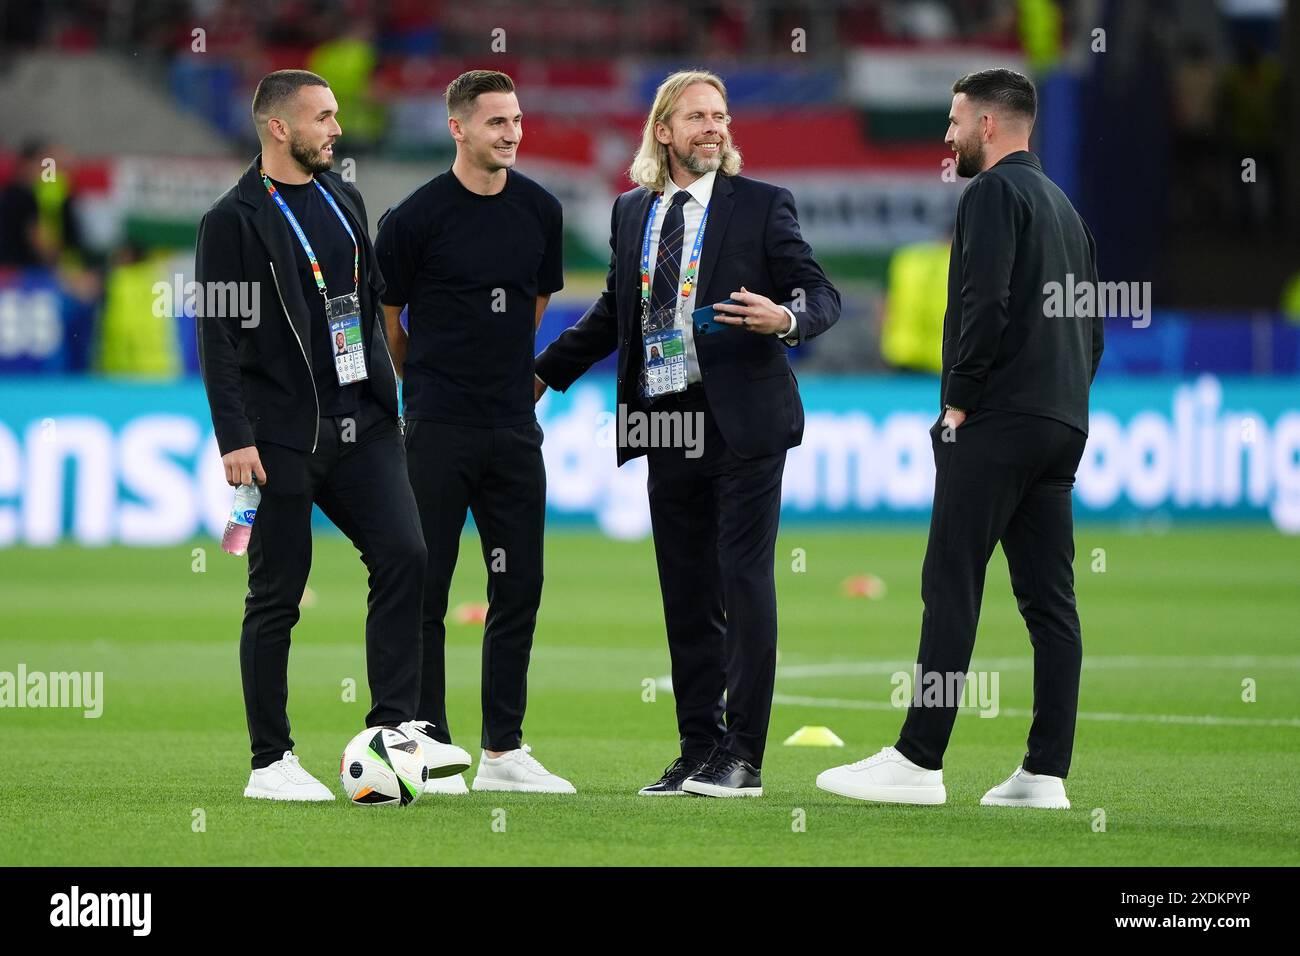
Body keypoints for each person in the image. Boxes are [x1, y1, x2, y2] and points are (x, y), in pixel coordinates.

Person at [534, 70, 840, 797]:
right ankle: (698, 748)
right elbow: (616, 311)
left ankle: (744, 757)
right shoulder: (631, 212)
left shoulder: (764, 206)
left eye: (721, 116)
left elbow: (818, 292)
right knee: (686, 590)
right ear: (663, 131)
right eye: (697, 116)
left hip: (744, 418)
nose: (714, 127)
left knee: (742, 578)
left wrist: (788, 320)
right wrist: (542, 374)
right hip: (664, 415)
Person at [817, 69, 1104, 809]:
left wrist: (960, 402)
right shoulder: (1067, 210)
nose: (946, 137)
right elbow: (1092, 328)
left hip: (998, 419)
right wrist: (1063, 402)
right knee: (1051, 603)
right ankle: (1045, 774)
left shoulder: (992, 195)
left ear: (987, 125)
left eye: (953, 122)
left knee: (951, 581)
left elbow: (984, 302)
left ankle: (918, 760)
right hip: (1059, 423)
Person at [195, 69, 469, 801]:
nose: (337, 127)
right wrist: (235, 437)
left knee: (407, 555)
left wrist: (394, 390)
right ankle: (270, 762)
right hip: (280, 436)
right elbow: (216, 338)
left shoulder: (345, 198)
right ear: (279, 128)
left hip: (365, 424)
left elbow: (369, 301)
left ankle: (392, 736)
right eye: (323, 116)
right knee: (277, 592)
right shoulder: (233, 219)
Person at [375, 70, 573, 795]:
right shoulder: (414, 218)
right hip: (435, 425)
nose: (513, 133)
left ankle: (504, 752)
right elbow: (390, 322)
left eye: (517, 120)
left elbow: (534, 306)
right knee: (427, 587)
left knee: (518, 584)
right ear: (457, 128)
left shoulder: (540, 210)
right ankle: (429, 743)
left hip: (514, 429)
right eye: (497, 123)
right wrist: (425, 384)